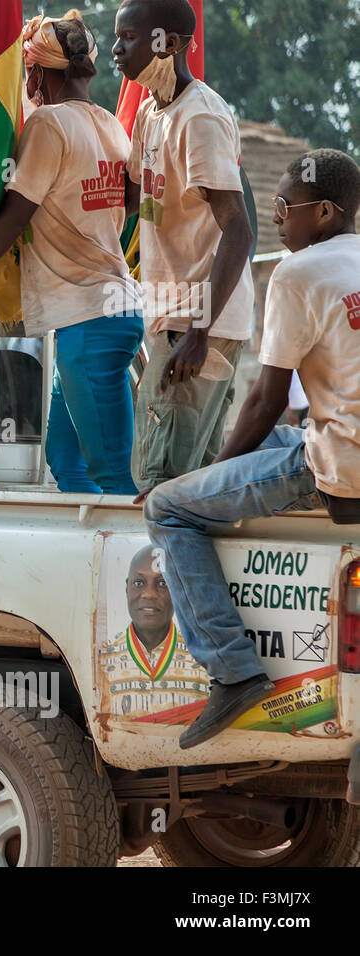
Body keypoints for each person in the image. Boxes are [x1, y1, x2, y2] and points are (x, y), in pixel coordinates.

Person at [144, 148, 360, 749]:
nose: (278, 218)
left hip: (334, 467)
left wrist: (211, 475)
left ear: (323, 212)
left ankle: (232, 670)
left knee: (168, 508)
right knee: (281, 439)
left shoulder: (298, 273)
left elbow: (265, 402)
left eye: (285, 207)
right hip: (335, 442)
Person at [0, 10, 144, 493]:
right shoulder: (109, 124)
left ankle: (130, 566)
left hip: (89, 322)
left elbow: (14, 214)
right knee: (66, 464)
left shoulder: (48, 124)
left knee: (110, 474)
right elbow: (129, 203)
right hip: (102, 317)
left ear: (41, 71)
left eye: (27, 71)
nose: (25, 84)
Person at [113, 0, 257, 496]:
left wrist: (199, 332)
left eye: (128, 37)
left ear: (169, 44)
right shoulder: (152, 112)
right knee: (189, 484)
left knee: (163, 483)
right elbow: (132, 196)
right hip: (172, 320)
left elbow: (239, 230)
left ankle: (162, 577)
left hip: (197, 326)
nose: (115, 49)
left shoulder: (200, 117)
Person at [99, 546, 207, 717]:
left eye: (163, 583)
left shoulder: (204, 661)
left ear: (178, 591)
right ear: (127, 588)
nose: (149, 594)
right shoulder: (102, 661)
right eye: (139, 583)